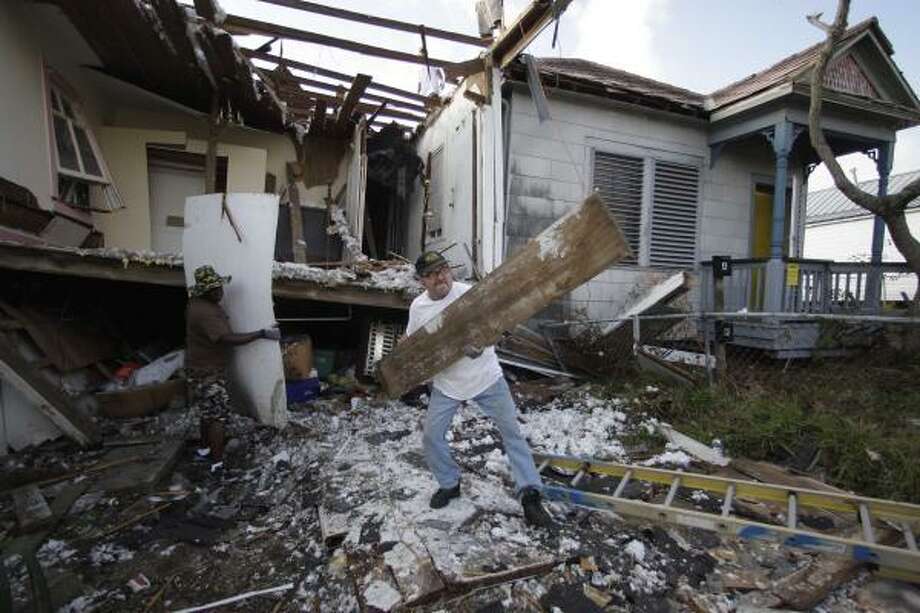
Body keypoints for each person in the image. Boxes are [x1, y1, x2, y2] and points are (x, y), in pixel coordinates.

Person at [406, 251, 554, 529]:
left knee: (512, 434)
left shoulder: (469, 294)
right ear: (422, 280)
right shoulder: (418, 308)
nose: (441, 277)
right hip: (448, 384)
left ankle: (530, 496)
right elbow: (414, 343)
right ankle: (450, 484)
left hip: (487, 378)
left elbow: (498, 326)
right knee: (431, 436)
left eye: (444, 269)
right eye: (433, 273)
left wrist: (486, 341)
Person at [185, 265, 280, 467]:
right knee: (218, 417)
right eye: (216, 289)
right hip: (207, 372)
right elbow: (226, 338)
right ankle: (217, 464)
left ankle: (205, 449)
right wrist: (261, 334)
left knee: (207, 413)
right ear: (206, 291)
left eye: (220, 287)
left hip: (197, 368)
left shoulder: (195, 304)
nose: (221, 292)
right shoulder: (207, 313)